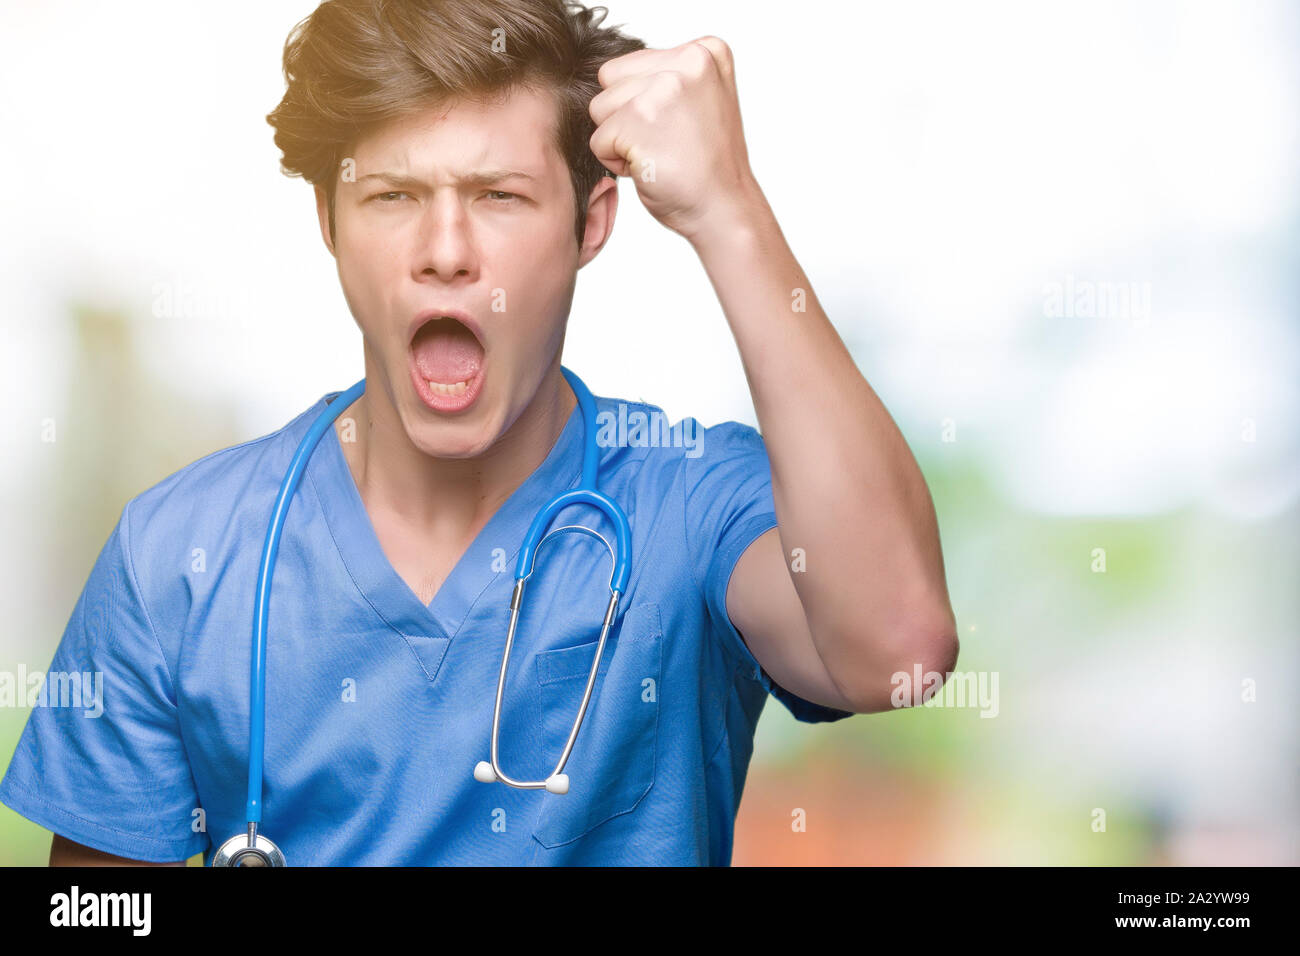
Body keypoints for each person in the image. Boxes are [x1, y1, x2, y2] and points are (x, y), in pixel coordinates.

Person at [1, 0, 958, 866]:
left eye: (499, 196)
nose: (446, 252)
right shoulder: (178, 555)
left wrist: (729, 210)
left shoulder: (692, 502)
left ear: (591, 225)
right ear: (329, 224)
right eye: (393, 196)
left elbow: (899, 650)